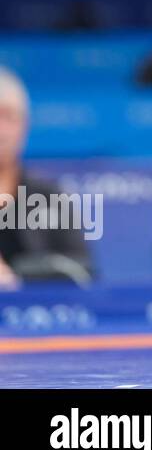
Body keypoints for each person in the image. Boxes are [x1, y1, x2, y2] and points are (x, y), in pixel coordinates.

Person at [0, 67, 94, 288]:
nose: (1, 130)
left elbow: (82, 270)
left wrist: (16, 275)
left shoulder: (47, 196)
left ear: (25, 126)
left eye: (9, 117)